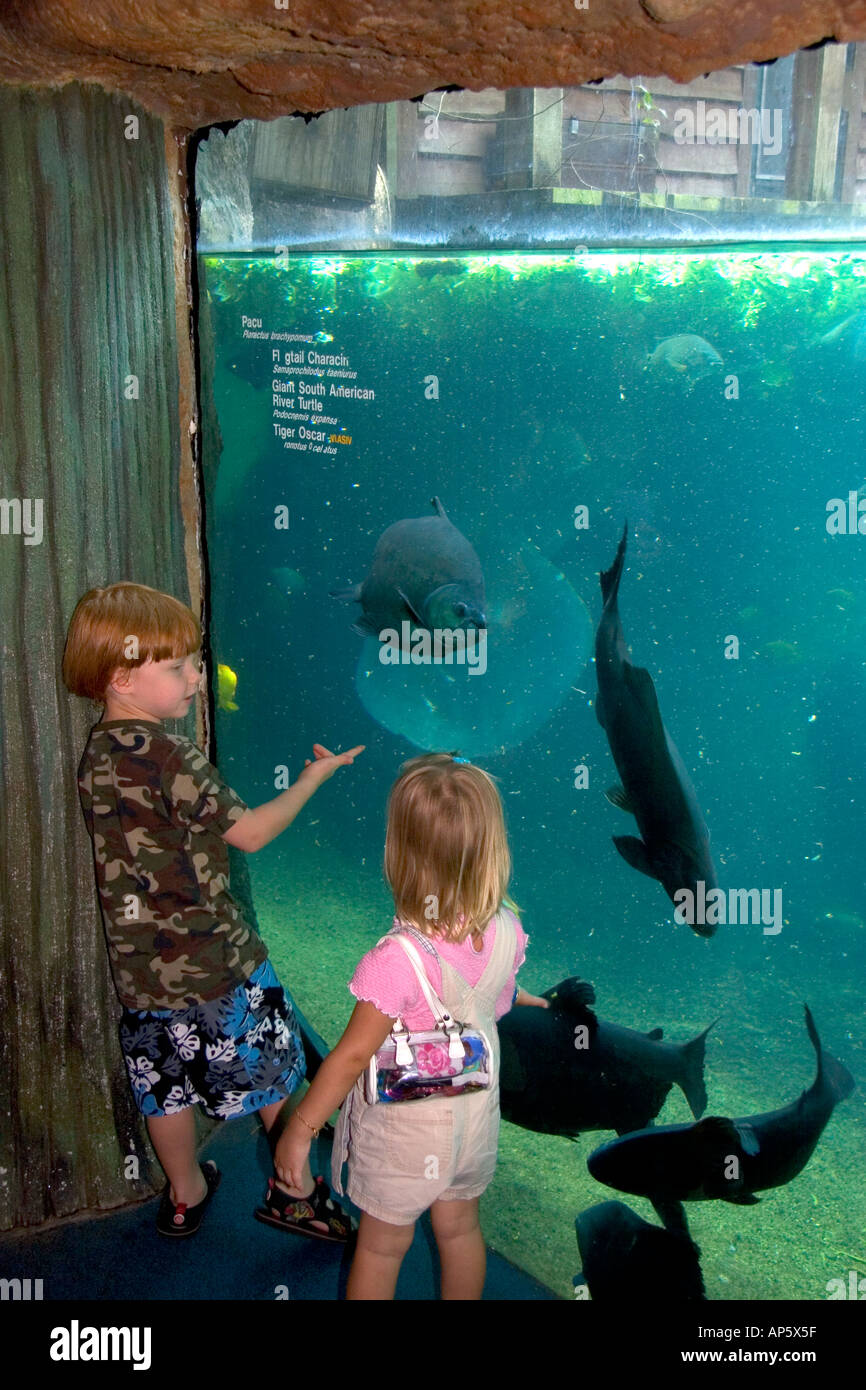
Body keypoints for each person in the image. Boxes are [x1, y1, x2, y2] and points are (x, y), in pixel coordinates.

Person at [61, 581, 363, 1240]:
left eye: (195, 661)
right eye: (177, 667)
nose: (197, 676)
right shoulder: (171, 754)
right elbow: (249, 832)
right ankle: (297, 1195)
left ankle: (185, 1191)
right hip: (217, 964)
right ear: (120, 678)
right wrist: (311, 781)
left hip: (143, 976)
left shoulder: (95, 755)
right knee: (273, 1074)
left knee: (163, 1088)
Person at [274, 753, 549, 1299]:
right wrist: (523, 997)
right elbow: (489, 997)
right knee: (461, 1229)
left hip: (406, 1135)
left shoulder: (394, 959)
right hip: (474, 1119)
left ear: (400, 854)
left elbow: (352, 1056)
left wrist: (300, 1130)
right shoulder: (507, 930)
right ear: (492, 849)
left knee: (382, 1246)